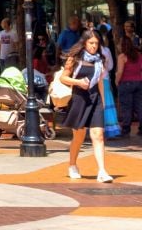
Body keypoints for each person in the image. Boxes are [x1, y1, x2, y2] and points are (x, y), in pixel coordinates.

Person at [60, 29, 112, 182]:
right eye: (91, 43)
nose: (94, 46)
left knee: (98, 135)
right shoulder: (75, 58)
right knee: (79, 136)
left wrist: (103, 102)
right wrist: (78, 82)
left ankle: (102, 171)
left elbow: (100, 81)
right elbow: (64, 78)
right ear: (84, 43)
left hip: (95, 98)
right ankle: (72, 165)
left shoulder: (100, 60)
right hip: (79, 99)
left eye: (96, 43)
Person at [116, 32, 142, 136]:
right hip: (138, 82)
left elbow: (120, 71)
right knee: (139, 106)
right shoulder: (139, 55)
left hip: (126, 82)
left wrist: (117, 81)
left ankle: (126, 129)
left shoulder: (122, 56)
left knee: (126, 107)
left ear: (122, 45)